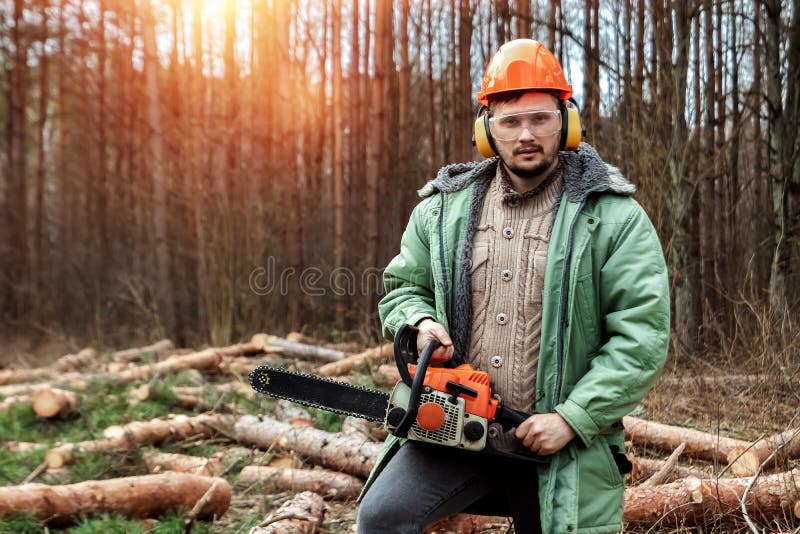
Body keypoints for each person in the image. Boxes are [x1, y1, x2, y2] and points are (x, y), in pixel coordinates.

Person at [356, 39, 669, 533]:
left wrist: (573, 418)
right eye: (510, 121)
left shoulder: (613, 218)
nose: (526, 134)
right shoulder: (441, 211)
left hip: (558, 445)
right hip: (454, 428)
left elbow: (642, 338)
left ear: (566, 122)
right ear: (487, 130)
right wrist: (418, 323)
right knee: (381, 516)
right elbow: (402, 287)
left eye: (540, 118)